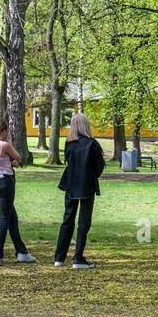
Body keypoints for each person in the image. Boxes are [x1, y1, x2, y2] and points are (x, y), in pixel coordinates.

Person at [55, 113, 104, 268]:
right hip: (86, 184)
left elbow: (68, 162)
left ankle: (59, 257)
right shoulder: (92, 144)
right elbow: (99, 167)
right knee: (84, 221)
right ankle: (78, 257)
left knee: (67, 219)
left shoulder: (69, 143)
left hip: (71, 183)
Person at [0, 119, 36, 263]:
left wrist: (9, 161)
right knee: (4, 219)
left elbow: (0, 160)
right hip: (4, 183)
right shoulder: (4, 145)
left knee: (12, 217)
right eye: (6, 131)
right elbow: (19, 157)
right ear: (3, 131)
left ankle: (22, 252)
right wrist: (9, 144)